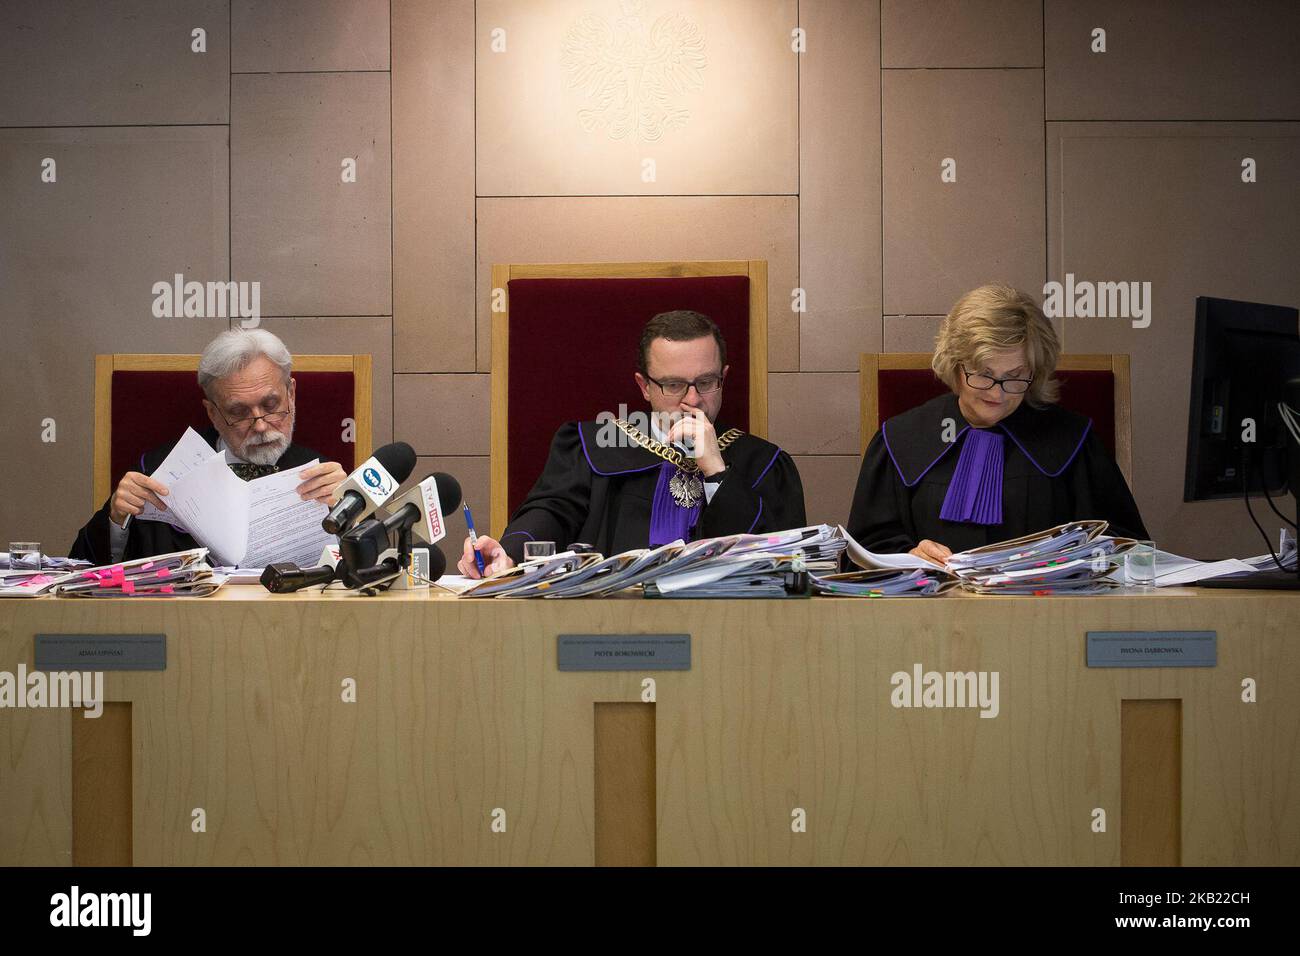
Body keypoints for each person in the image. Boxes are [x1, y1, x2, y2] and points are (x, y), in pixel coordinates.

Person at [458, 310, 806, 576]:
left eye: (706, 381)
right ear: (644, 386)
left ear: (724, 377)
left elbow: (784, 564)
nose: (693, 400)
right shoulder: (593, 446)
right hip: (607, 632)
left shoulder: (765, 464)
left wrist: (716, 471)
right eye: (673, 385)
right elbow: (551, 513)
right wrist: (509, 551)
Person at [846, 284, 1148, 565]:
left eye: (1015, 376)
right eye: (983, 373)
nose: (997, 392)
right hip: (929, 616)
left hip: (1046, 614)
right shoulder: (900, 439)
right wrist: (909, 557)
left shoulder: (1074, 440)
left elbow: (1125, 546)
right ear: (955, 363)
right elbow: (864, 550)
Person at [70, 329, 347, 564]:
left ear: (291, 394)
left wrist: (349, 516)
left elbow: (369, 577)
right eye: (239, 412)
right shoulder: (157, 472)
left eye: (271, 405)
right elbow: (86, 567)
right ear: (213, 413)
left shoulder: (323, 476)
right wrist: (117, 521)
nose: (260, 425)